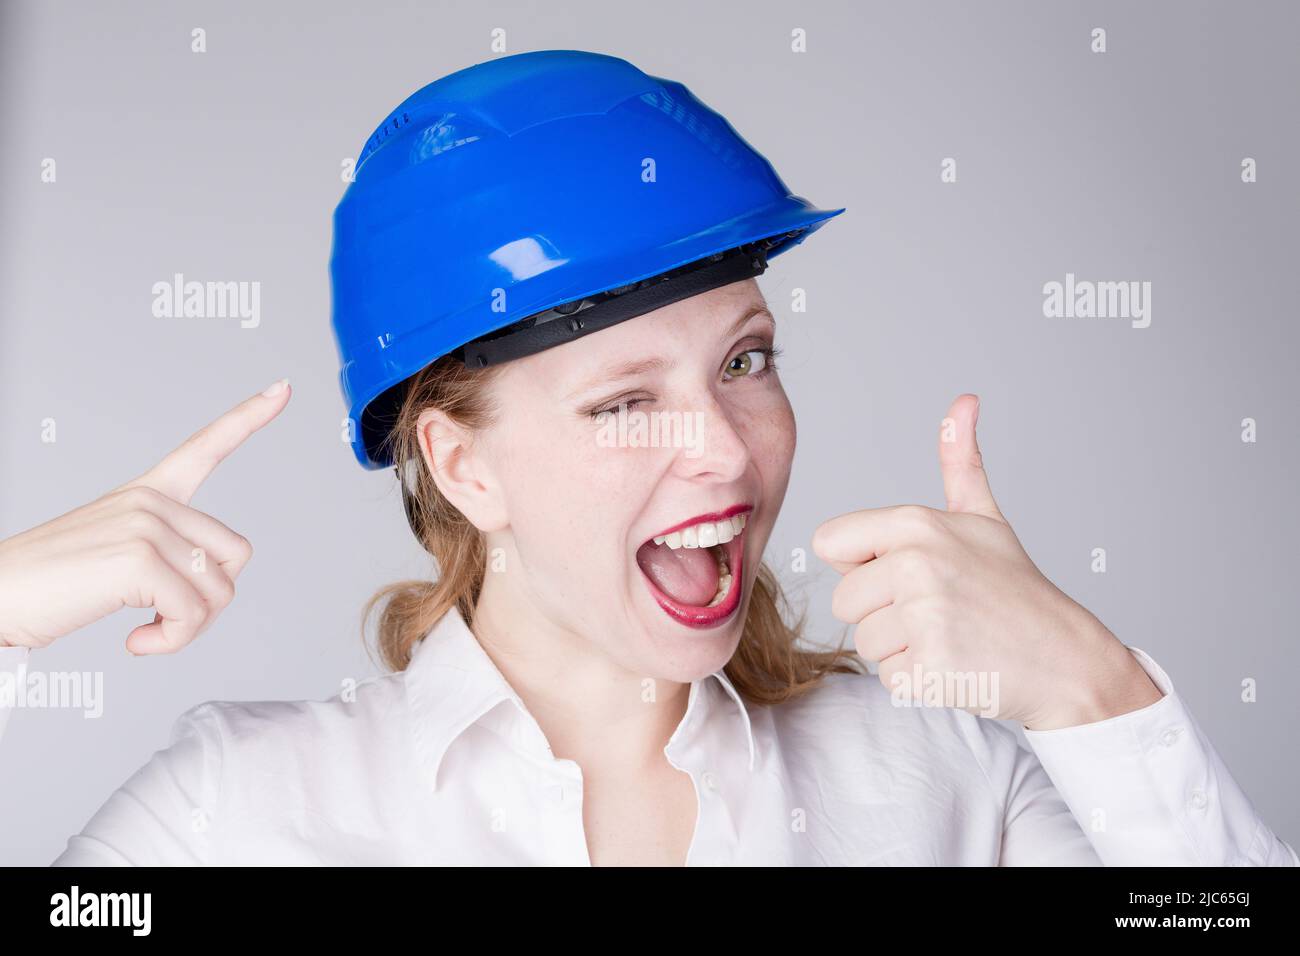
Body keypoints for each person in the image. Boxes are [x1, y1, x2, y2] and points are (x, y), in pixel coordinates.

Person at [0, 51, 1294, 866]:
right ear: (463, 466)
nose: (726, 451)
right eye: (624, 402)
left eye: (743, 362)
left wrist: (1095, 694)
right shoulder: (237, 815)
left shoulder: (944, 781)